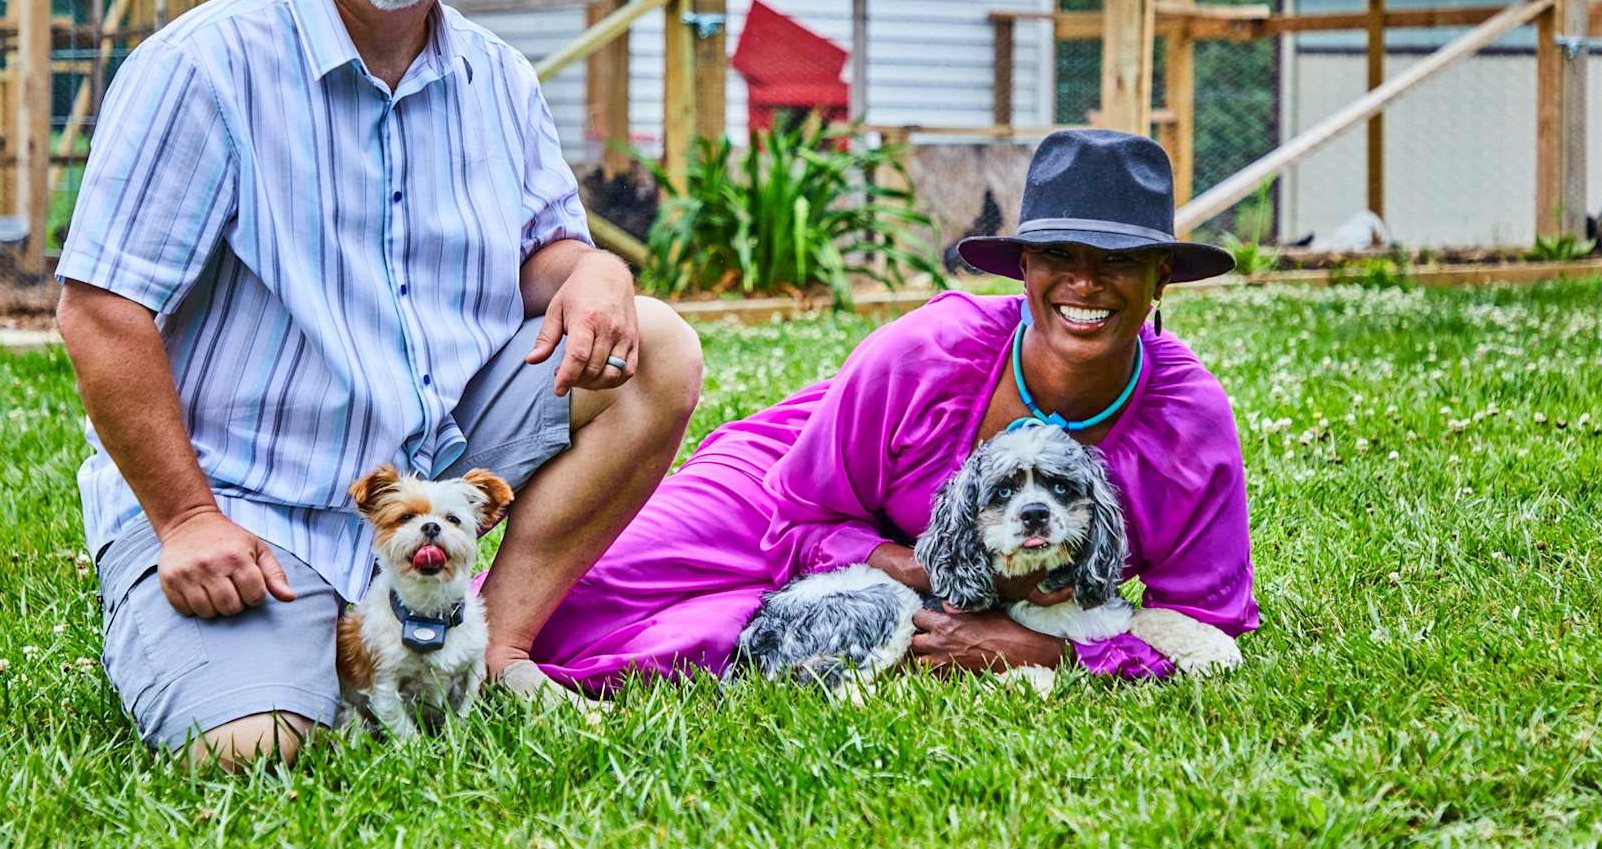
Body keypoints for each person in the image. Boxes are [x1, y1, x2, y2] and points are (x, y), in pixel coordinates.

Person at [56, 0, 703, 767]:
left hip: (434, 463)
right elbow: (101, 309)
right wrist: (185, 518)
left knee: (655, 345)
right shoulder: (206, 67)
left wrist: (596, 273)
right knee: (254, 748)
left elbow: (548, 251)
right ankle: (241, 632)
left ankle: (498, 647)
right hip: (245, 496)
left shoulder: (498, 77)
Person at [528, 128, 1256, 689]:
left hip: (884, 585)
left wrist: (1047, 650)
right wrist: (921, 573)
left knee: (706, 647)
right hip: (785, 488)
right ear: (1025, 267)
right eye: (1061, 254)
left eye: (1119, 259)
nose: (1085, 282)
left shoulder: (1188, 425)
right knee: (583, 595)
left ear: (1162, 276)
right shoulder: (930, 350)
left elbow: (1199, 630)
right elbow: (802, 515)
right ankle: (444, 645)